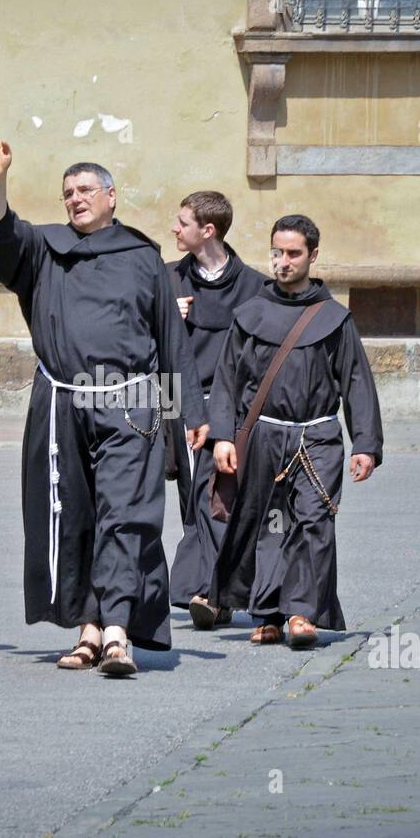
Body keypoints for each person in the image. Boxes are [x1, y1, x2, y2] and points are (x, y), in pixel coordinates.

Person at [0, 129, 208, 676]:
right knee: (72, 518)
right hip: (62, 405)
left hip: (132, 404)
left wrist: (189, 414)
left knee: (124, 515)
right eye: (67, 192)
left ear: (111, 196)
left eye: (84, 189)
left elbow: (170, 339)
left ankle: (119, 633)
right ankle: (88, 629)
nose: (75, 198)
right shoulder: (45, 250)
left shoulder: (143, 256)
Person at [210, 214, 382, 648]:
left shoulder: (334, 319)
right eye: (277, 252)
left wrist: (366, 443)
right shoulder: (249, 315)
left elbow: (356, 381)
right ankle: (266, 611)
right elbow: (226, 380)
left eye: (293, 253)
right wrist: (223, 437)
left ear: (313, 256)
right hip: (263, 435)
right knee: (269, 525)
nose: (282, 261)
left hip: (318, 437)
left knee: (313, 522)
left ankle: (302, 612)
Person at [163, 191, 264, 629]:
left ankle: (211, 590)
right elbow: (137, 341)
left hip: (232, 405)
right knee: (194, 497)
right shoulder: (166, 280)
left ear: (208, 231)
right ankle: (210, 590)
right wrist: (166, 319)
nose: (174, 228)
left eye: (182, 222)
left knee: (218, 496)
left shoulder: (255, 287)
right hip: (178, 400)